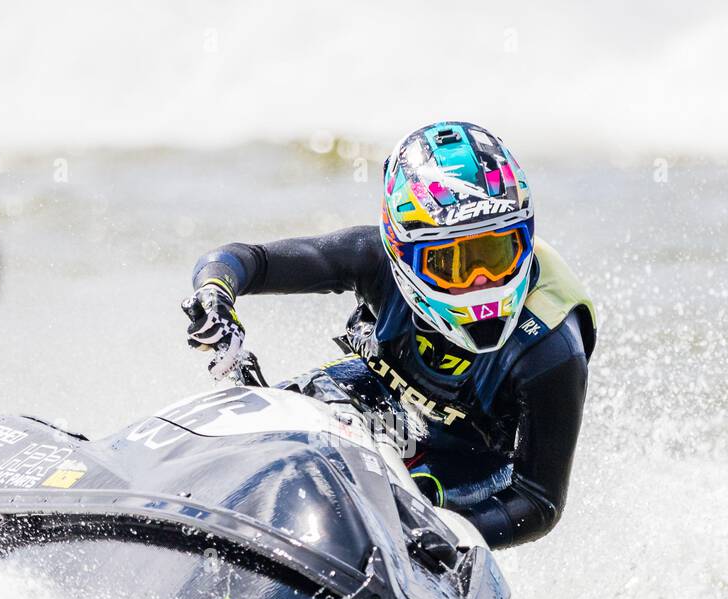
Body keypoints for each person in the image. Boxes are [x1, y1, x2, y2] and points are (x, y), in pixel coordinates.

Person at [181, 121, 595, 548]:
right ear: (402, 253)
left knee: (380, 511)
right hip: (382, 398)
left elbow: (538, 502)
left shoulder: (551, 349)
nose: (481, 283)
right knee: (284, 422)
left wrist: (440, 537)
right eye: (451, 262)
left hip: (471, 467)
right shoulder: (372, 258)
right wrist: (215, 295)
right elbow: (245, 261)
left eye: (495, 253)